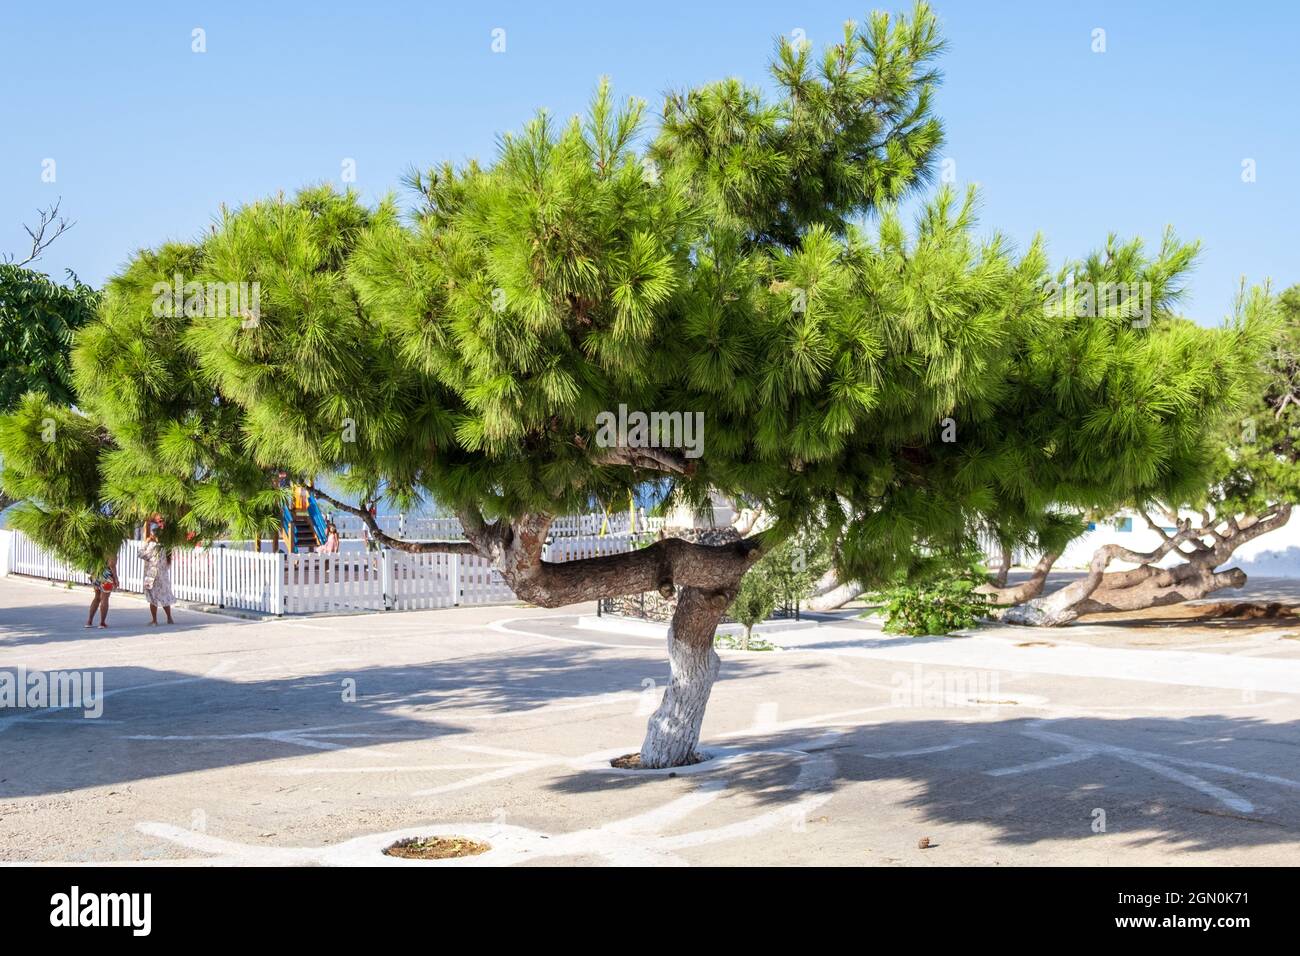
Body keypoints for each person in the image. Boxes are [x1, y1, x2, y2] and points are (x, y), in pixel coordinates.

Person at [140, 520, 176, 625]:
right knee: (164, 596)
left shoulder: (152, 545)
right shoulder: (165, 546)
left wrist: (146, 543)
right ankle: (169, 618)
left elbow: (141, 554)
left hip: (151, 574)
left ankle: (154, 620)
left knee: (152, 597)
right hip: (163, 575)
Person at [86, 552, 118, 629]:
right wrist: (116, 578)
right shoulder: (111, 548)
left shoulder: (97, 547)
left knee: (97, 597)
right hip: (106, 576)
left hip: (96, 574)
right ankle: (102, 623)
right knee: (104, 598)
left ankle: (89, 621)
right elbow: (112, 565)